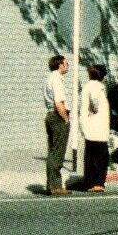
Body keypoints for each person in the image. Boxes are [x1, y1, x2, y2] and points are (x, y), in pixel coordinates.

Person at [79, 63, 112, 193]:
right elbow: (95, 100)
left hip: (89, 125)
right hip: (97, 125)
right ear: (102, 76)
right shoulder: (98, 87)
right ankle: (98, 182)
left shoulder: (87, 86)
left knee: (90, 155)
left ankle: (89, 181)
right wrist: (95, 109)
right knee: (101, 155)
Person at [43, 55, 70, 196]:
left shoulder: (49, 78)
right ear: (59, 65)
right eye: (66, 63)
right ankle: (55, 186)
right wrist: (65, 118)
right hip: (58, 116)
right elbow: (59, 102)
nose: (68, 65)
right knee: (58, 152)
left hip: (50, 116)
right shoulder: (57, 80)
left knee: (52, 151)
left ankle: (51, 184)